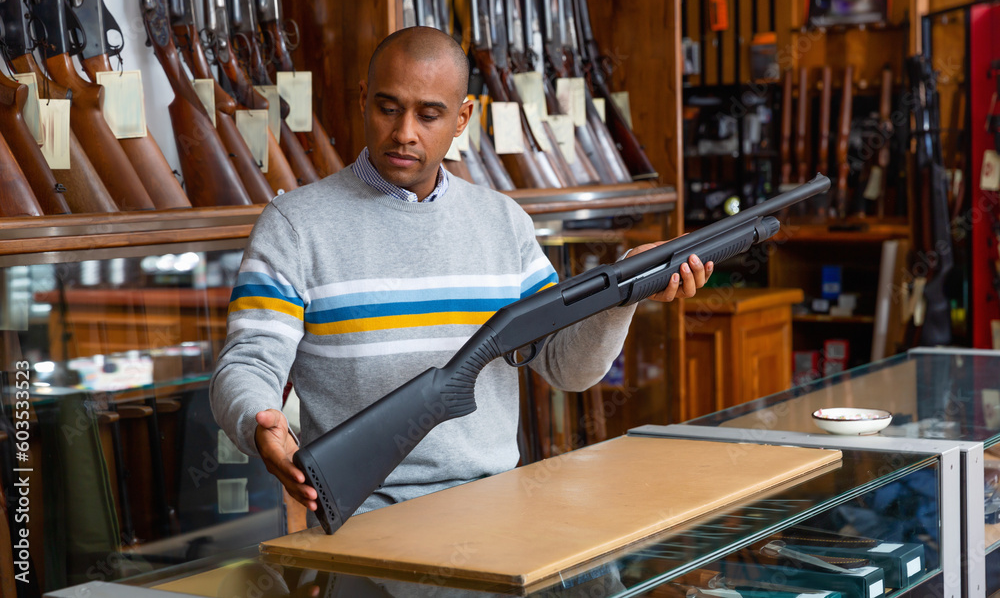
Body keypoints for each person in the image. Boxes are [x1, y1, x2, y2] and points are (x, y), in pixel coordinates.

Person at [210, 26, 712, 517]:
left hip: (497, 511)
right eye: (388, 108)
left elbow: (564, 366)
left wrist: (623, 292)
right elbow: (248, 364)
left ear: (463, 117)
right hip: (363, 521)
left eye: (430, 115)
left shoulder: (504, 222)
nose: (405, 132)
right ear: (363, 98)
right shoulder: (294, 226)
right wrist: (261, 423)